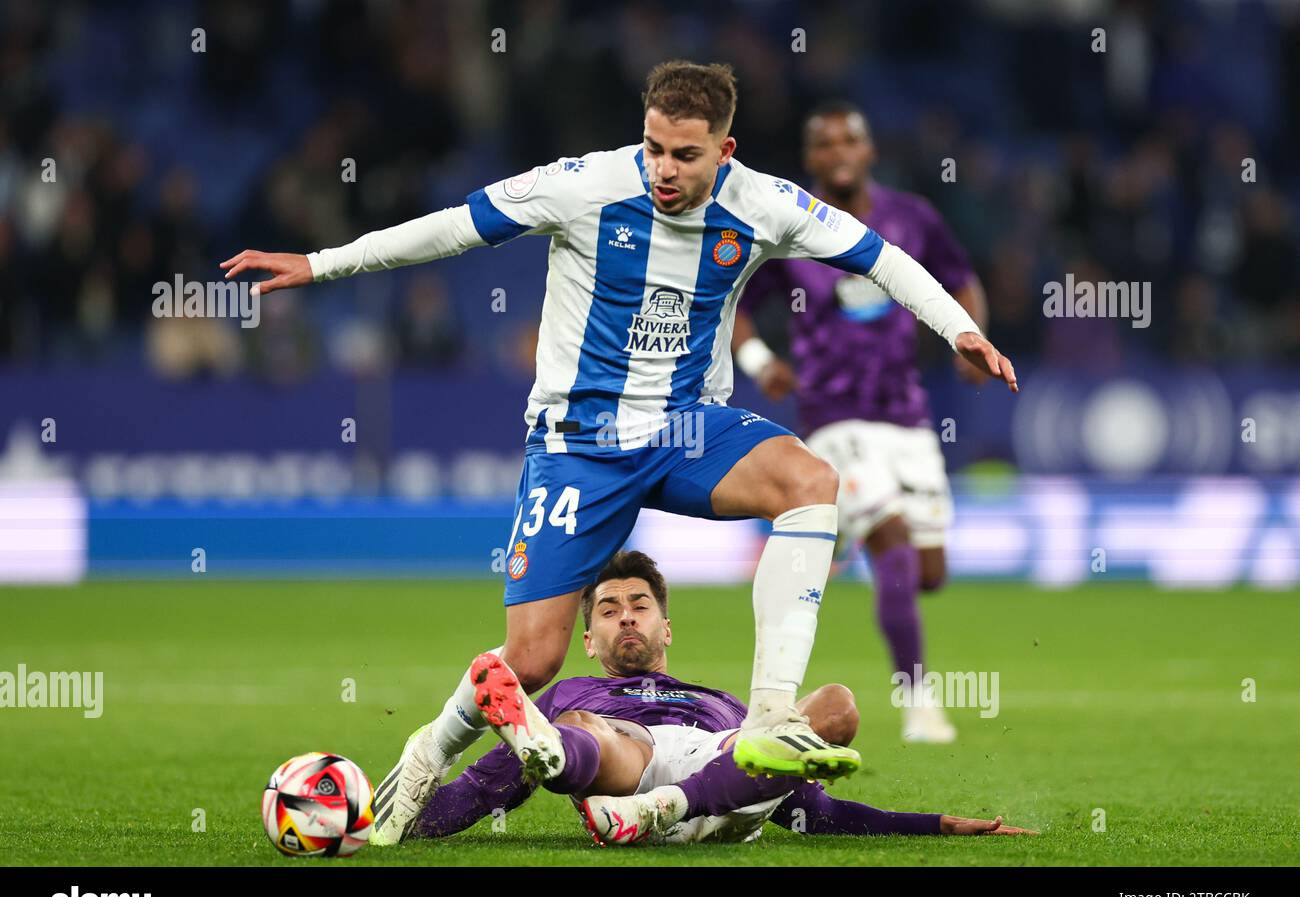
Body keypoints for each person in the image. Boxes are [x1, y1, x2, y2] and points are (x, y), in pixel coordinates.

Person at [221, 62, 1018, 845]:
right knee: (532, 661)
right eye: (653, 148)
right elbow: (453, 228)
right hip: (581, 445)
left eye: (684, 155)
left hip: (685, 429)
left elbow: (879, 255)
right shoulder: (583, 186)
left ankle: (773, 711)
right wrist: (323, 263)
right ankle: (427, 749)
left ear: (725, 152)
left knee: (811, 482)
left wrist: (959, 329)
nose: (663, 169)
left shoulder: (765, 205)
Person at [418, 550, 1035, 846]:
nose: (626, 618)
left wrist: (938, 826)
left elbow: (814, 813)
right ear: (587, 640)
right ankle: (565, 760)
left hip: (728, 758)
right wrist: (389, 827)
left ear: (667, 629)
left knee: (837, 704)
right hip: (627, 764)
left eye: (640, 606)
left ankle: (666, 802)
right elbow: (481, 791)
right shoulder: (568, 693)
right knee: (582, 726)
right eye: (609, 610)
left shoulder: (728, 702)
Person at [733, 103, 994, 743]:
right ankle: (919, 703)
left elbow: (961, 279)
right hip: (832, 420)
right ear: (812, 158)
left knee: (927, 573)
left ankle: (841, 535)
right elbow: (734, 301)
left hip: (905, 417)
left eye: (850, 138)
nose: (839, 150)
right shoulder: (790, 228)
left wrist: (972, 339)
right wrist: (760, 358)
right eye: (824, 143)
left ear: (870, 150)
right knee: (896, 545)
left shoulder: (913, 217)